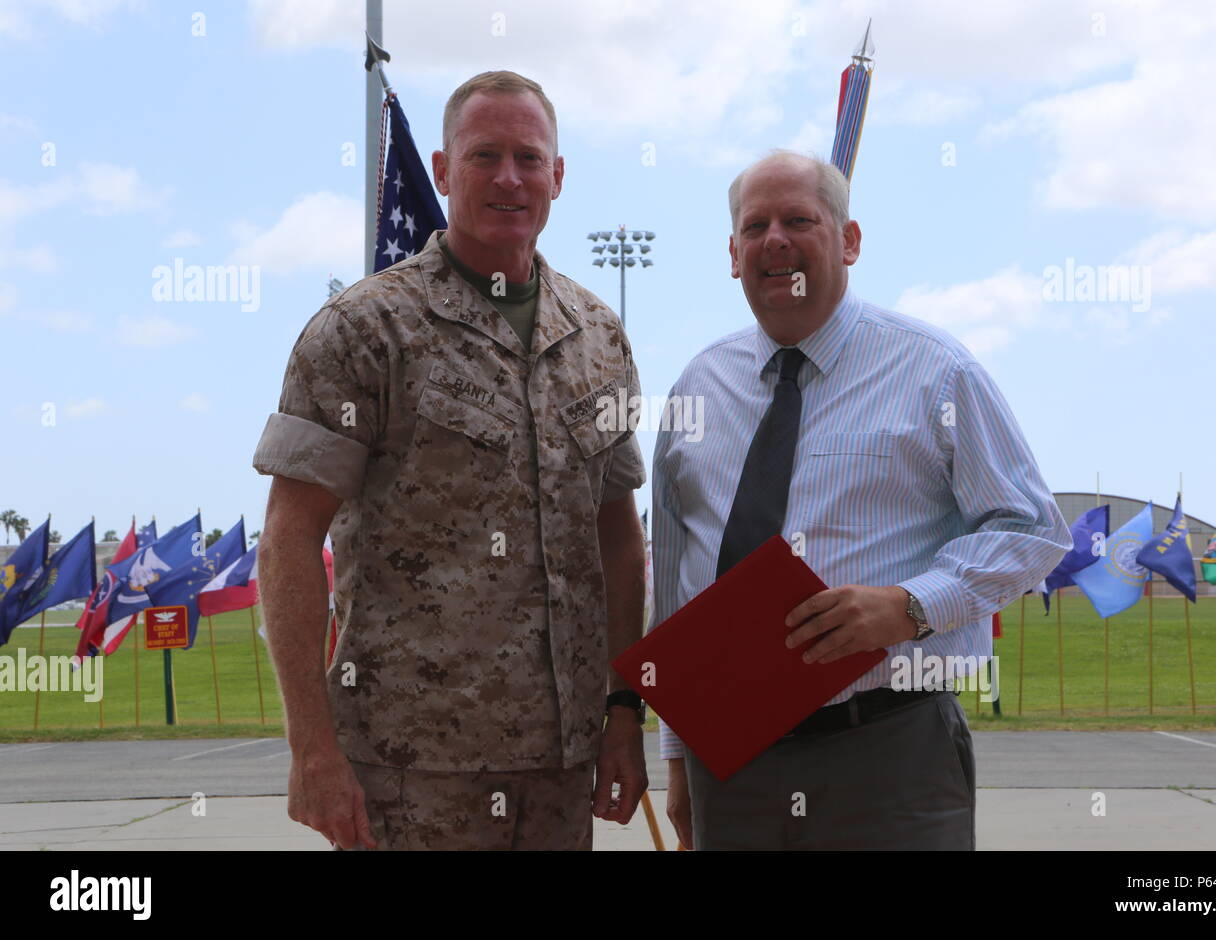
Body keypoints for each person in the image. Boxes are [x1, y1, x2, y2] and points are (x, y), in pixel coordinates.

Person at [252, 71, 649, 851]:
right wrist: (312, 750)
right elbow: (288, 543)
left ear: (558, 177)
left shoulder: (599, 338)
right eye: (484, 156)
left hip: (560, 766)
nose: (509, 177)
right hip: (411, 769)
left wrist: (623, 711)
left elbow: (618, 539)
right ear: (441, 170)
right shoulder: (364, 332)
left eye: (529, 159)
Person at [651, 150, 1071, 850]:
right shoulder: (699, 388)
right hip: (730, 766)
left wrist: (910, 605)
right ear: (732, 255)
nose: (775, 240)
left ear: (849, 241)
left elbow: (1030, 529)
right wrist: (676, 754)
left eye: (799, 220)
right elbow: (676, 585)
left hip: (889, 752)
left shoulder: (936, 372)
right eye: (755, 226)